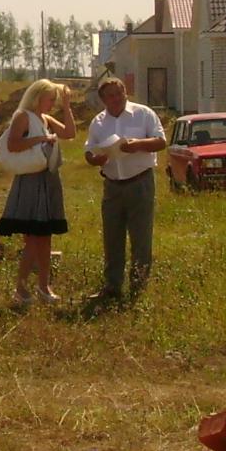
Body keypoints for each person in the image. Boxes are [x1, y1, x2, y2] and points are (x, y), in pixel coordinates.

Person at [83, 75, 168, 299]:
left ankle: (138, 288)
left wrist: (137, 145)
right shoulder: (98, 122)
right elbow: (89, 150)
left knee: (141, 237)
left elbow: (161, 141)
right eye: (110, 96)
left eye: (119, 93)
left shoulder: (143, 114)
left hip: (140, 182)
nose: (116, 98)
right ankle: (112, 286)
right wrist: (95, 159)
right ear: (103, 100)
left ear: (125, 93)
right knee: (112, 237)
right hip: (112, 186)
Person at [0, 78, 76, 307]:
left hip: (47, 179)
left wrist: (67, 107)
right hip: (30, 180)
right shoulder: (23, 117)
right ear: (38, 97)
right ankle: (21, 287)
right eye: (51, 99)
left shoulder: (45, 118)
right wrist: (41, 139)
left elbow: (69, 133)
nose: (52, 104)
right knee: (32, 237)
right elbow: (13, 144)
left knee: (45, 236)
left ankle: (43, 286)